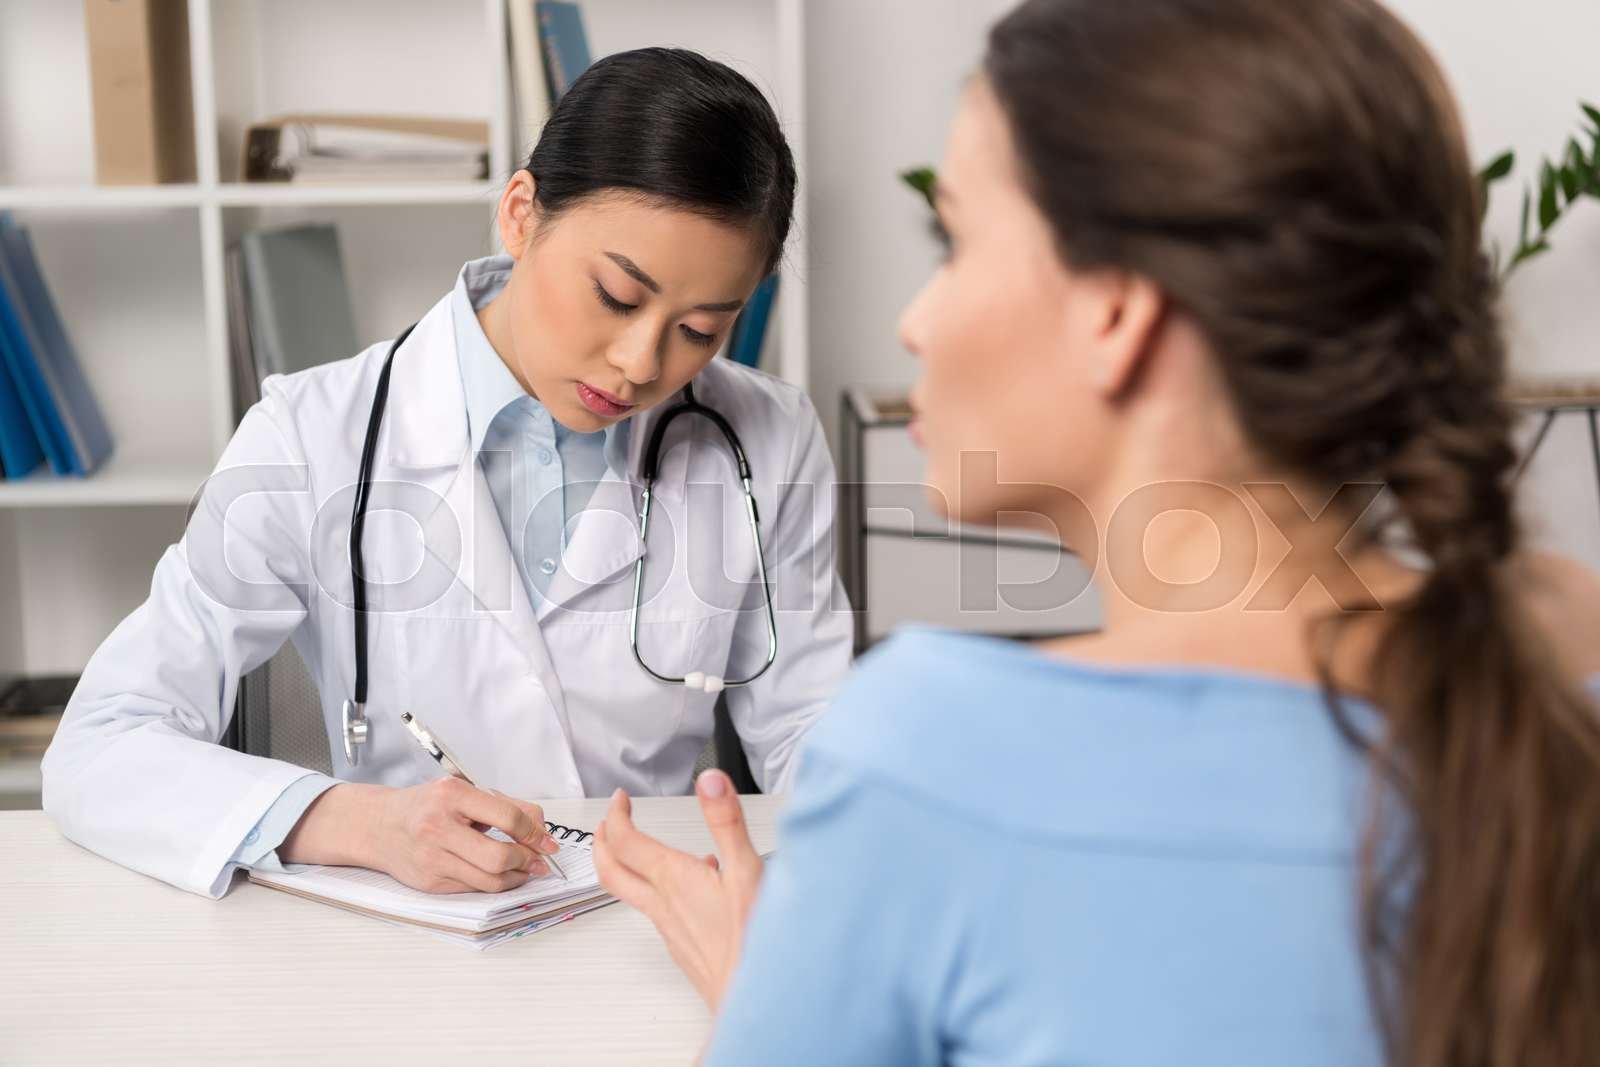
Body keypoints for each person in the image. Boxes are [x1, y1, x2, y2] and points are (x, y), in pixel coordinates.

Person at [592, 2, 1600, 1064]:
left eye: (956, 240)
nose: (914, 320)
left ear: (1115, 310)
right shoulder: (1564, 654)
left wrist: (783, 984)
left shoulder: (932, 763)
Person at [42, 48, 852, 900]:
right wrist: (351, 822)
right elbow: (102, 744)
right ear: (520, 213)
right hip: (411, 937)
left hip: (651, 921)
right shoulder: (311, 435)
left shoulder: (766, 438)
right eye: (616, 294)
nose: (639, 360)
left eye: (698, 328)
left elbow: (809, 726)